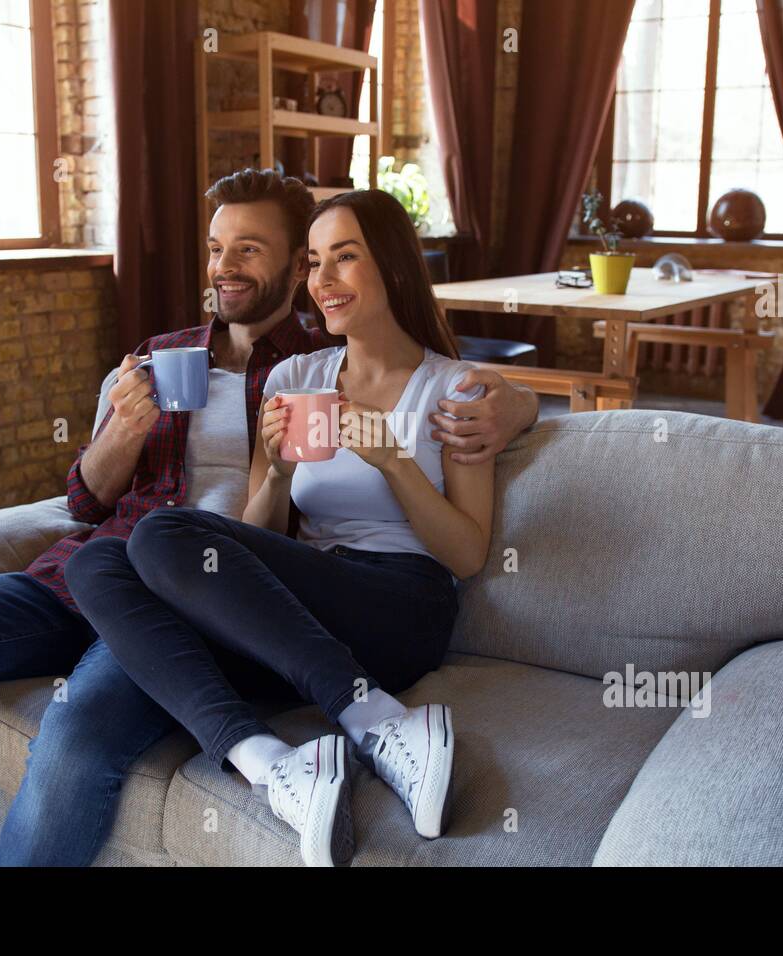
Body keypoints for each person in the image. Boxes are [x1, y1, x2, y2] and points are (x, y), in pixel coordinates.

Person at [0, 169, 539, 866]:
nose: (225, 266)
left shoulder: (315, 361)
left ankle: (359, 731)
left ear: (294, 273)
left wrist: (514, 403)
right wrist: (123, 435)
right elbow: (82, 504)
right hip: (94, 581)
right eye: (218, 247)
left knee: (81, 720)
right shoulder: (166, 360)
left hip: (207, 604)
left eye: (252, 249)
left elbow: (439, 417)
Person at [66, 189, 495, 867]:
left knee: (161, 534)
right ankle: (271, 762)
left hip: (402, 604)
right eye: (316, 262)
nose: (323, 281)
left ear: (396, 267)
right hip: (307, 614)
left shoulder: (457, 389)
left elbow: (468, 556)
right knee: (94, 563)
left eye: (345, 258)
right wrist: (279, 477)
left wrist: (394, 462)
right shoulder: (297, 376)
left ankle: (383, 723)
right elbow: (255, 530)